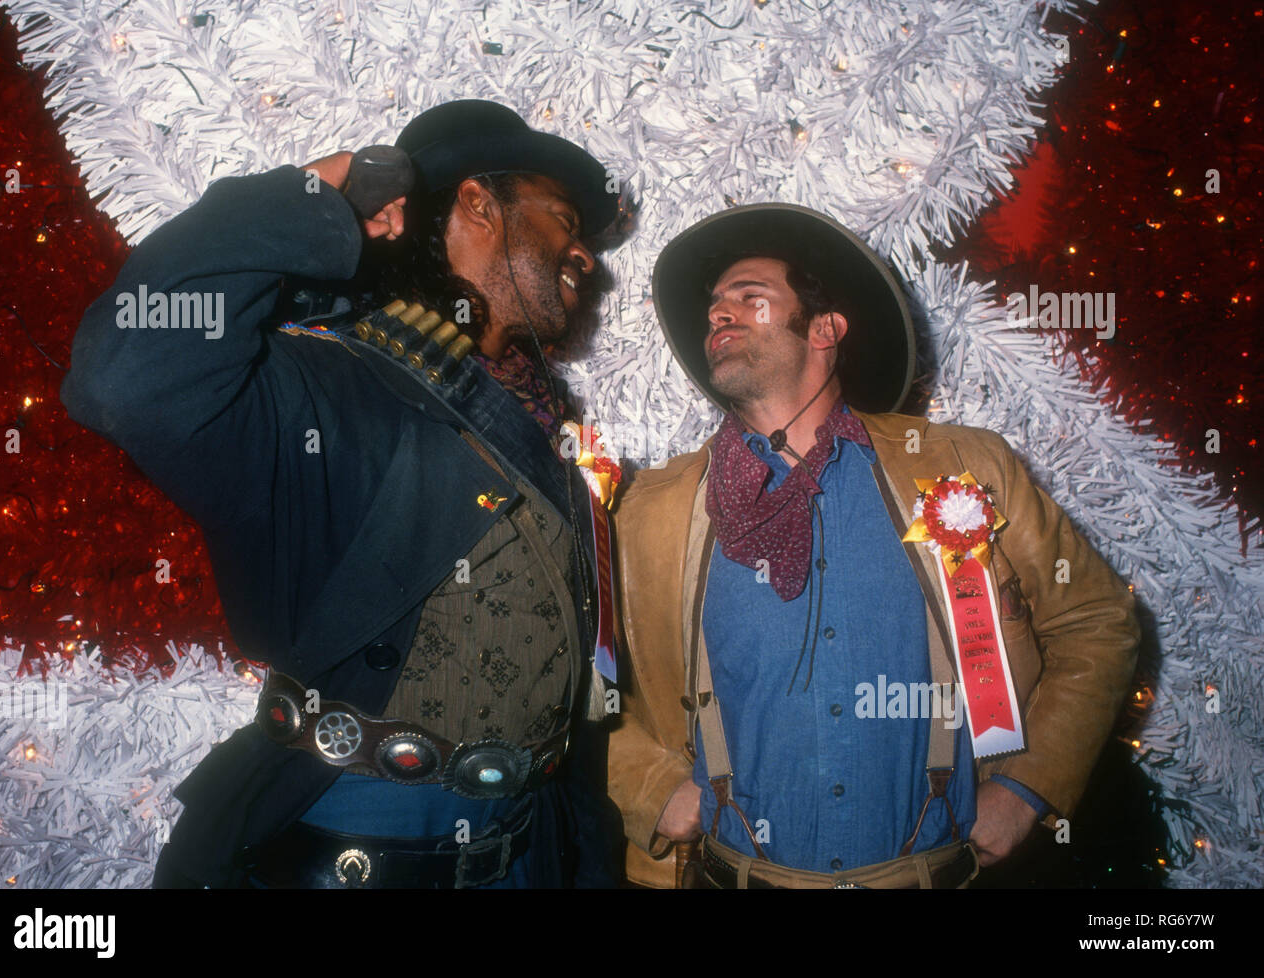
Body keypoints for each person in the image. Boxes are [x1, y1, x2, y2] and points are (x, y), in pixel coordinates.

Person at [62, 100, 623, 888]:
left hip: (525, 845)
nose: (584, 254)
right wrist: (309, 204)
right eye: (564, 217)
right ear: (477, 204)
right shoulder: (336, 387)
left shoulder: (548, 425)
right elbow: (125, 373)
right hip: (362, 841)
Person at [608, 203, 1139, 888]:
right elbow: (579, 682)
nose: (718, 314)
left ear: (825, 328)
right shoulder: (651, 508)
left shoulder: (961, 467)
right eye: (714, 305)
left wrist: (1028, 788)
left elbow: (1096, 623)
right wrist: (650, 787)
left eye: (750, 296)